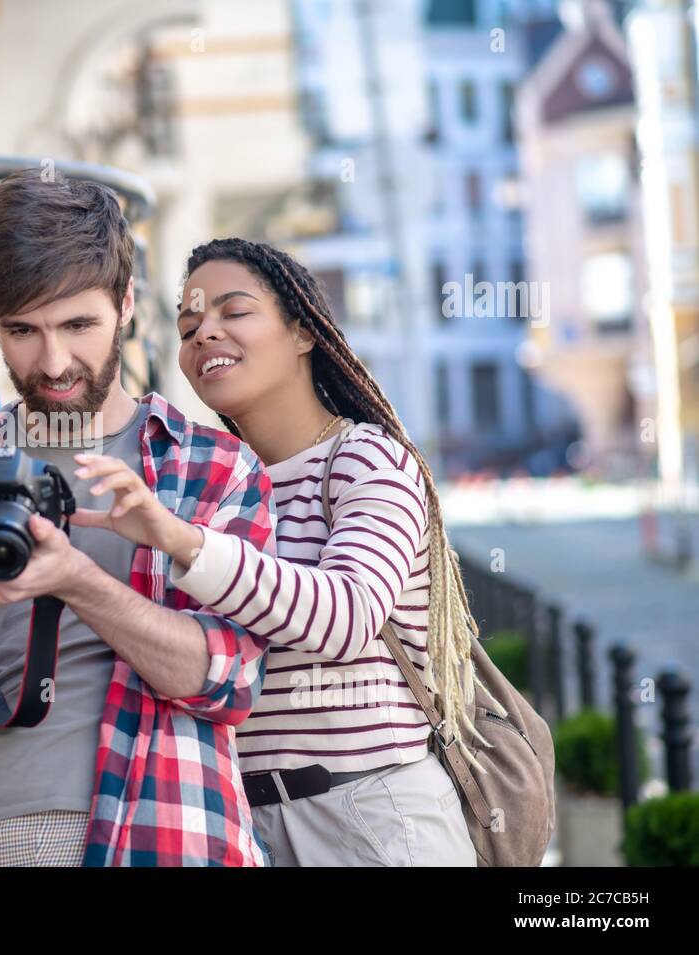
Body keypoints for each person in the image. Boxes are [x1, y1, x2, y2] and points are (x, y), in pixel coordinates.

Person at [0, 171, 277, 867]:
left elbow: (227, 680)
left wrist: (77, 579)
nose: (53, 363)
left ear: (126, 303)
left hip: (167, 834)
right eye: (22, 331)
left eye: (78, 325)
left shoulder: (214, 469)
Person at [72, 238, 480, 866]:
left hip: (369, 818)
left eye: (233, 313)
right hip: (237, 822)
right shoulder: (204, 485)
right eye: (188, 324)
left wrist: (182, 541)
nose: (204, 333)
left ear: (302, 332)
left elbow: (346, 618)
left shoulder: (365, 460)